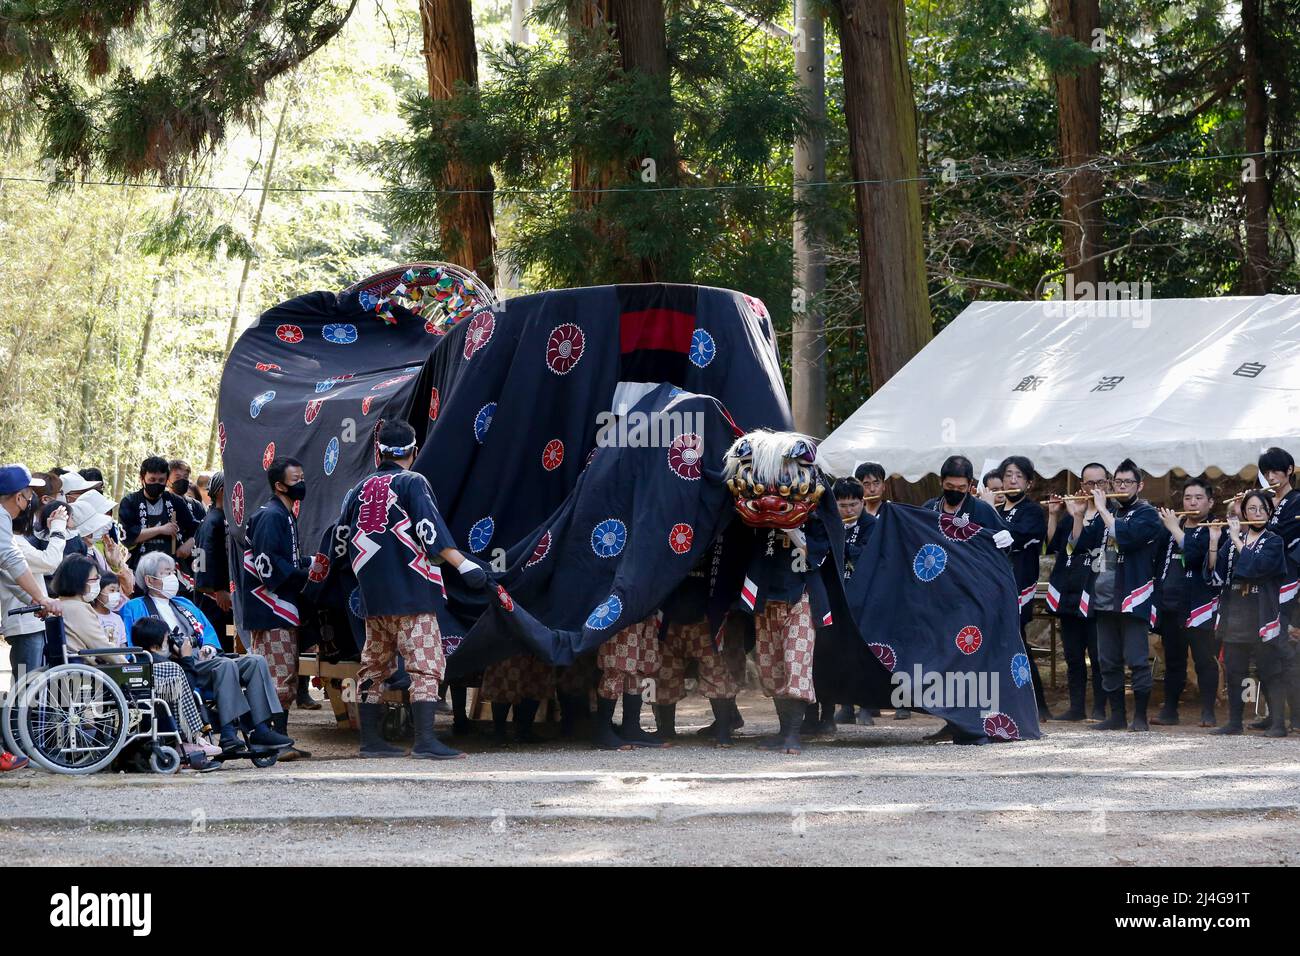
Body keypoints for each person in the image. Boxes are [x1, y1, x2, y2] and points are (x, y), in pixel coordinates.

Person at [321, 420, 489, 758]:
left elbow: (339, 540)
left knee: (374, 664)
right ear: (414, 450)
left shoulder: (358, 488)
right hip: (411, 590)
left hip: (372, 595)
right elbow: (430, 531)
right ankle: (425, 741)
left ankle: (370, 741)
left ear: (378, 451)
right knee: (426, 662)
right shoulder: (413, 482)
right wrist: (464, 565)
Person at [121, 551, 292, 754]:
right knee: (225, 665)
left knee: (255, 661)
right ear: (150, 579)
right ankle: (229, 733)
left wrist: (209, 647)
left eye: (171, 571)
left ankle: (262, 727)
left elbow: (207, 632)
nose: (172, 577)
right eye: (166, 573)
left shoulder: (185, 604)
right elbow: (133, 647)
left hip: (202, 658)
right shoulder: (134, 607)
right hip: (174, 664)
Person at [238, 457, 309, 745]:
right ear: (279, 485)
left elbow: (285, 559)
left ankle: (280, 737)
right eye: (295, 480)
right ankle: (273, 740)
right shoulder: (271, 516)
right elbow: (268, 565)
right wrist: (302, 575)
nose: (301, 484)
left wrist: (308, 563)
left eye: (302, 477)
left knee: (285, 673)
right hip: (271, 606)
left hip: (281, 605)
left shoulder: (284, 513)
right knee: (277, 675)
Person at [1088, 458, 1162, 732]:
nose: (1121, 487)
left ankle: (1140, 716)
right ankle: (1116, 715)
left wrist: (1103, 512)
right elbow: (1082, 545)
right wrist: (1077, 514)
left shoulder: (1147, 514)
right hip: (1104, 597)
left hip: (1132, 597)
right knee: (1107, 660)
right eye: (1117, 482)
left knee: (1137, 659)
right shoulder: (1108, 512)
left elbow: (1127, 538)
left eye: (1127, 482)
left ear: (1139, 485)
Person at [1206, 490, 1288, 736]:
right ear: (1243, 512)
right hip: (1235, 613)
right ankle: (1234, 722)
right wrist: (1214, 540)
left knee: (1269, 668)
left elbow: (1257, 568)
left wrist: (1237, 540)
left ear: (1270, 512)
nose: (1257, 513)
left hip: (1262, 612)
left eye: (1262, 509)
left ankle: (1277, 722)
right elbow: (1215, 575)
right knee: (1235, 670)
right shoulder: (1232, 541)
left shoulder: (1273, 540)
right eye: (1251, 509)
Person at [985, 456, 1052, 722]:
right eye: (1009, 475)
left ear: (1029, 482)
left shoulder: (1032, 511)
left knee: (1018, 644)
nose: (1013, 480)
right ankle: (1003, 702)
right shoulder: (997, 510)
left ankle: (1037, 704)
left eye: (1019, 476)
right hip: (995, 587)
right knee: (996, 645)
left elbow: (1014, 536)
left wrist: (989, 512)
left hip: (1020, 586)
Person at [651, 555, 741, 747]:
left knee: (716, 671)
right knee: (663, 673)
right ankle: (666, 730)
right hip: (670, 617)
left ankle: (724, 732)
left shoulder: (716, 536)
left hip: (707, 618)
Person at [1152, 477, 1221, 726]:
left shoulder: (1214, 526)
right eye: (1188, 497)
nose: (1192, 502)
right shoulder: (1175, 524)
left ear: (1210, 502)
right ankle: (1170, 710)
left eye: (1198, 498)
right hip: (1171, 603)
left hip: (1200, 604)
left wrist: (1173, 527)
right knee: (1174, 660)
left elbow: (1194, 556)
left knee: (1204, 659)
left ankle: (1208, 712)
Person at [1045, 463, 1110, 721]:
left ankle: (1100, 708)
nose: (1093, 489)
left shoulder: (1109, 515)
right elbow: (1058, 547)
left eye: (1100, 483)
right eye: (1088, 484)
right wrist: (1053, 514)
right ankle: (1076, 707)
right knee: (1073, 655)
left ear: (1108, 484)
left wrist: (1081, 516)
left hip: (1094, 592)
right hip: (1069, 590)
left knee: (1097, 655)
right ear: (1081, 485)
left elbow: (1087, 546)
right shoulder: (1073, 513)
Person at [1254, 447, 1300, 730]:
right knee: (1265, 648)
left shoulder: (1297, 501)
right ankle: (1274, 715)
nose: (1271, 477)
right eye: (1266, 472)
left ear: (1289, 470)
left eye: (1276, 471)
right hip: (1265, 582)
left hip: (1288, 580)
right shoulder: (1267, 502)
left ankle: (1295, 716)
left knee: (1284, 649)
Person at [3, 490, 69, 680]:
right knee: (26, 684)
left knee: (29, 685)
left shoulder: (17, 541)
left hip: (31, 616)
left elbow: (42, 568)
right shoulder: (13, 542)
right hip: (25, 623)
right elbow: (49, 562)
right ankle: (17, 711)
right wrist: (58, 528)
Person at [831, 476, 873, 727]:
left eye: (853, 505)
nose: (848, 510)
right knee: (840, 652)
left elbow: (866, 555)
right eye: (843, 505)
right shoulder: (831, 522)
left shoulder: (873, 525)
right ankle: (844, 705)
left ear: (863, 502)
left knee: (865, 651)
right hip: (839, 594)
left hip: (865, 596)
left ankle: (867, 706)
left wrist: (843, 544)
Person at [118, 455, 199, 569]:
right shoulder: (130, 502)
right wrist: (161, 529)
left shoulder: (175, 501)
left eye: (161, 480)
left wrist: (190, 543)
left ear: (167, 480)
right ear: (142, 479)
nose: (157, 484)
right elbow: (128, 537)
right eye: (152, 480)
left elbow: (197, 529)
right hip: (139, 566)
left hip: (171, 567)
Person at [193, 471, 235, 652]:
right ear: (222, 491)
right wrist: (218, 590)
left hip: (225, 595)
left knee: (228, 639)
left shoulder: (225, 519)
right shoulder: (213, 520)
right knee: (218, 643)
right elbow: (205, 558)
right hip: (214, 598)